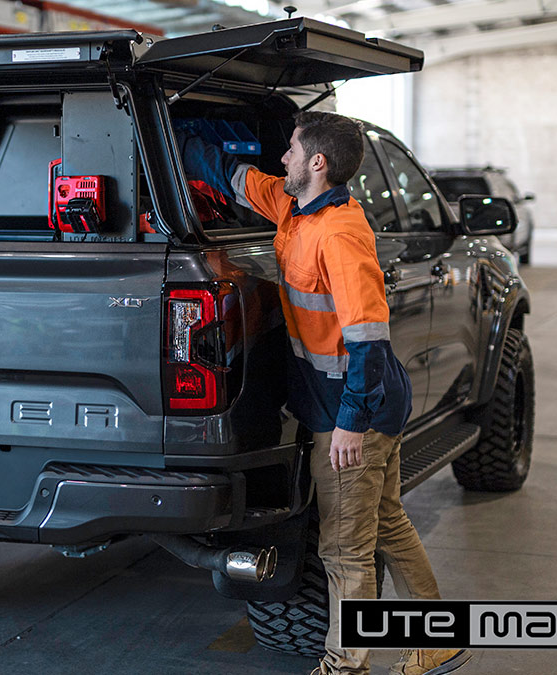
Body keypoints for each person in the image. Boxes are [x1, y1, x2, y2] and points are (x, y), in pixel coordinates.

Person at [177, 112, 470, 675]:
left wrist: (349, 424)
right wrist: (172, 132)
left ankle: (346, 665)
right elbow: (232, 175)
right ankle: (442, 638)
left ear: (317, 163)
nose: (280, 159)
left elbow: (368, 340)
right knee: (386, 524)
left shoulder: (340, 234)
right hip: (344, 405)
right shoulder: (293, 209)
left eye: (290, 149)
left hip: (353, 410)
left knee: (343, 550)